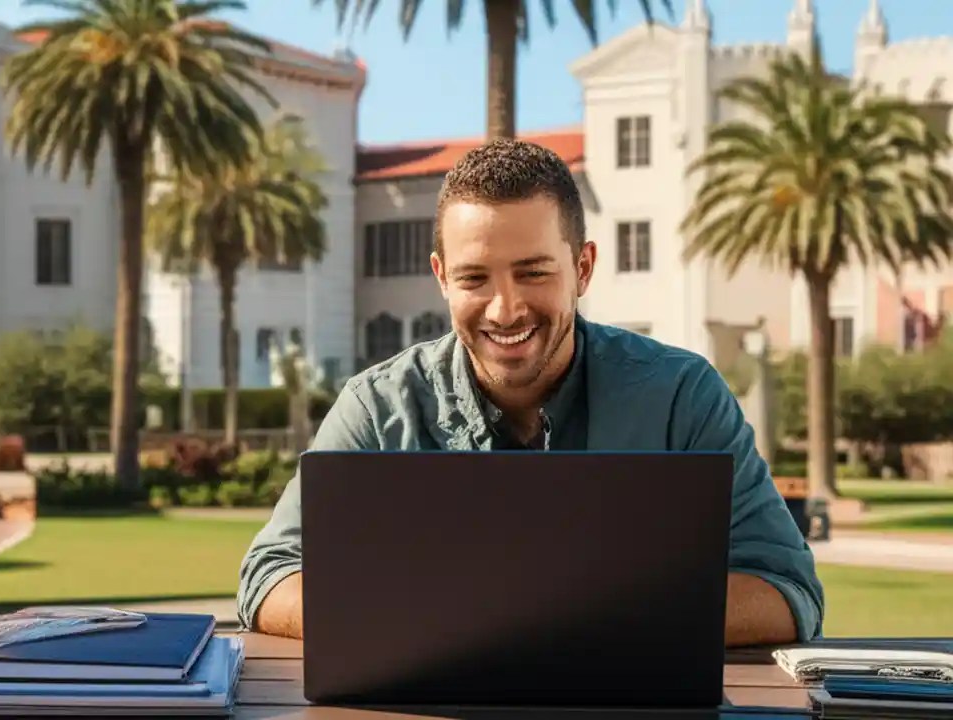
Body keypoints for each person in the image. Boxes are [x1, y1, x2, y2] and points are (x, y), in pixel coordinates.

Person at [236, 138, 825, 647]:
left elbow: (786, 591)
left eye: (533, 272)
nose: (506, 308)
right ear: (442, 278)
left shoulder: (681, 397)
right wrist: (437, 617)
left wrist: (577, 617)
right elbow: (270, 575)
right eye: (474, 278)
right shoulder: (377, 407)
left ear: (583, 268)